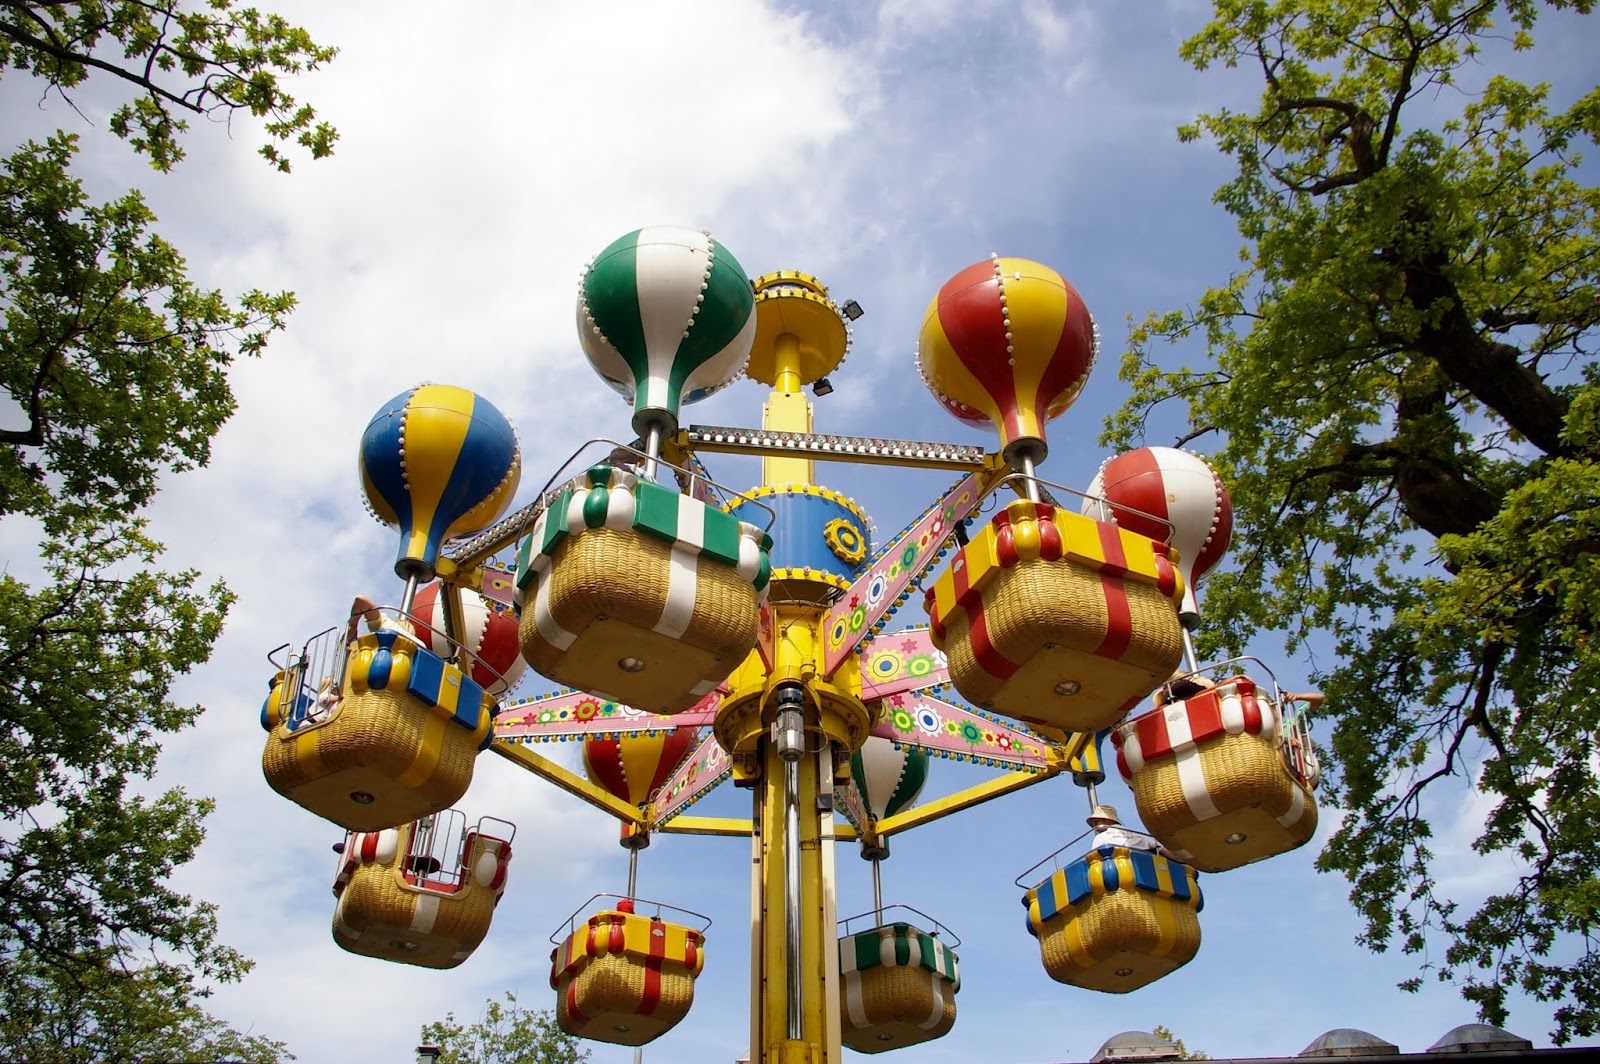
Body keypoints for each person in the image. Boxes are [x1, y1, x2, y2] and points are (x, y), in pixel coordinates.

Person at [1085, 804, 1181, 861]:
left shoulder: (1102, 838)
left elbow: (1094, 859)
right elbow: (1160, 848)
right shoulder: (1138, 834)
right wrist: (1182, 862)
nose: (1095, 825)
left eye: (1096, 821)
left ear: (1106, 821)